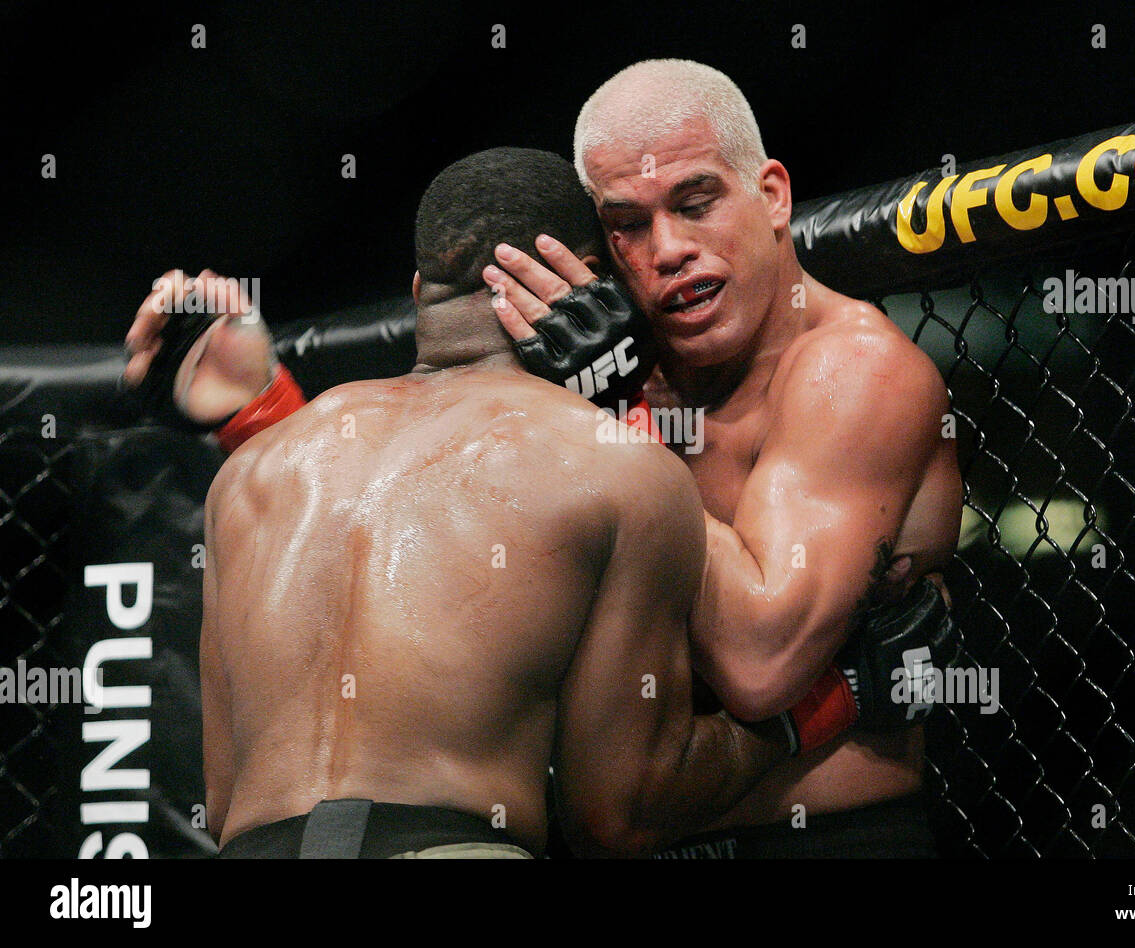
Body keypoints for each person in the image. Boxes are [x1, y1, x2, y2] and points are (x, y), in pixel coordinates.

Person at [180, 149, 843, 858]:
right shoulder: (615, 464)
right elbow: (621, 811)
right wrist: (822, 705)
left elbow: (223, 803)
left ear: (418, 289)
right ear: (599, 285)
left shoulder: (252, 469)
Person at [483, 60, 963, 857]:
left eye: (697, 202)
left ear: (771, 195)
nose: (668, 249)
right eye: (628, 224)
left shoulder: (852, 371)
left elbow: (758, 659)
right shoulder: (600, 376)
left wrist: (613, 422)